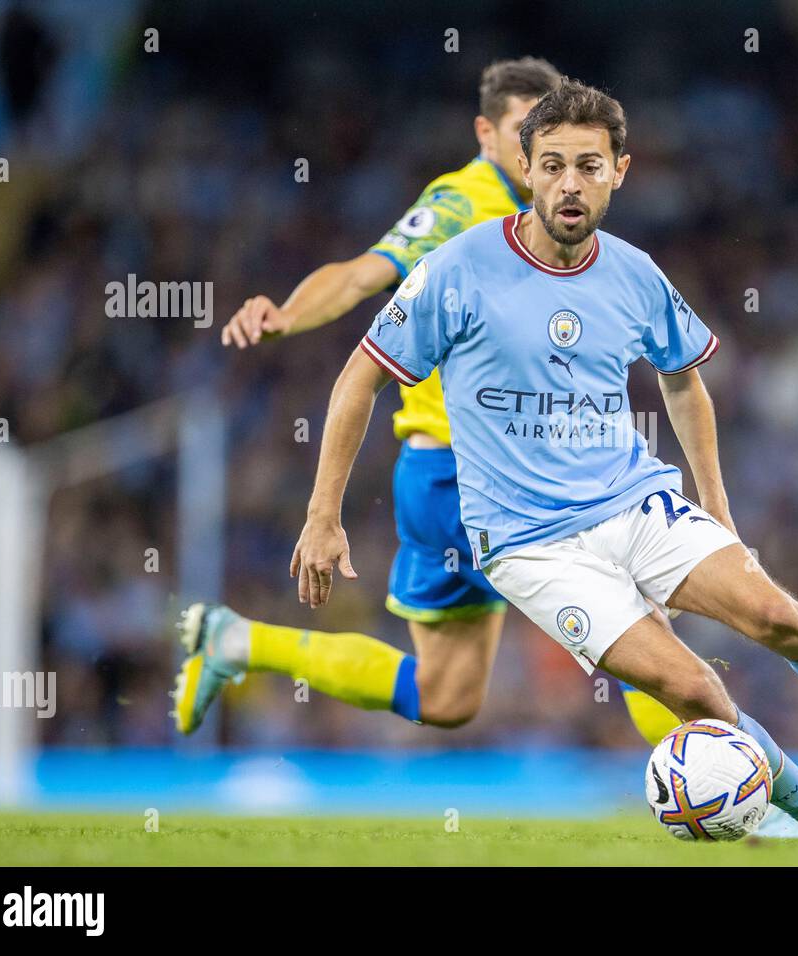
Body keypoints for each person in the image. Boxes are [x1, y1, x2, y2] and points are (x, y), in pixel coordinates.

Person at [294, 79, 798, 841]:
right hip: (529, 543)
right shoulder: (460, 268)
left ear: (620, 171)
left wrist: (718, 505)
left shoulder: (635, 273)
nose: (569, 183)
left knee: (779, 615)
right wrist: (323, 517)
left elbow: (683, 382)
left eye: (588, 165)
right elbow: (362, 376)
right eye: (551, 165)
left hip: (634, 502)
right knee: (693, 687)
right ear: (528, 168)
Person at [172, 58, 679, 750]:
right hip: (475, 474)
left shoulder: (552, 207)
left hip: (471, 472)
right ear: (486, 133)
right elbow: (362, 273)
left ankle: (239, 641)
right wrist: (288, 314)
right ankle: (745, 799)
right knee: (644, 628)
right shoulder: (460, 206)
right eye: (523, 130)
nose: (541, 146)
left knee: (445, 696)